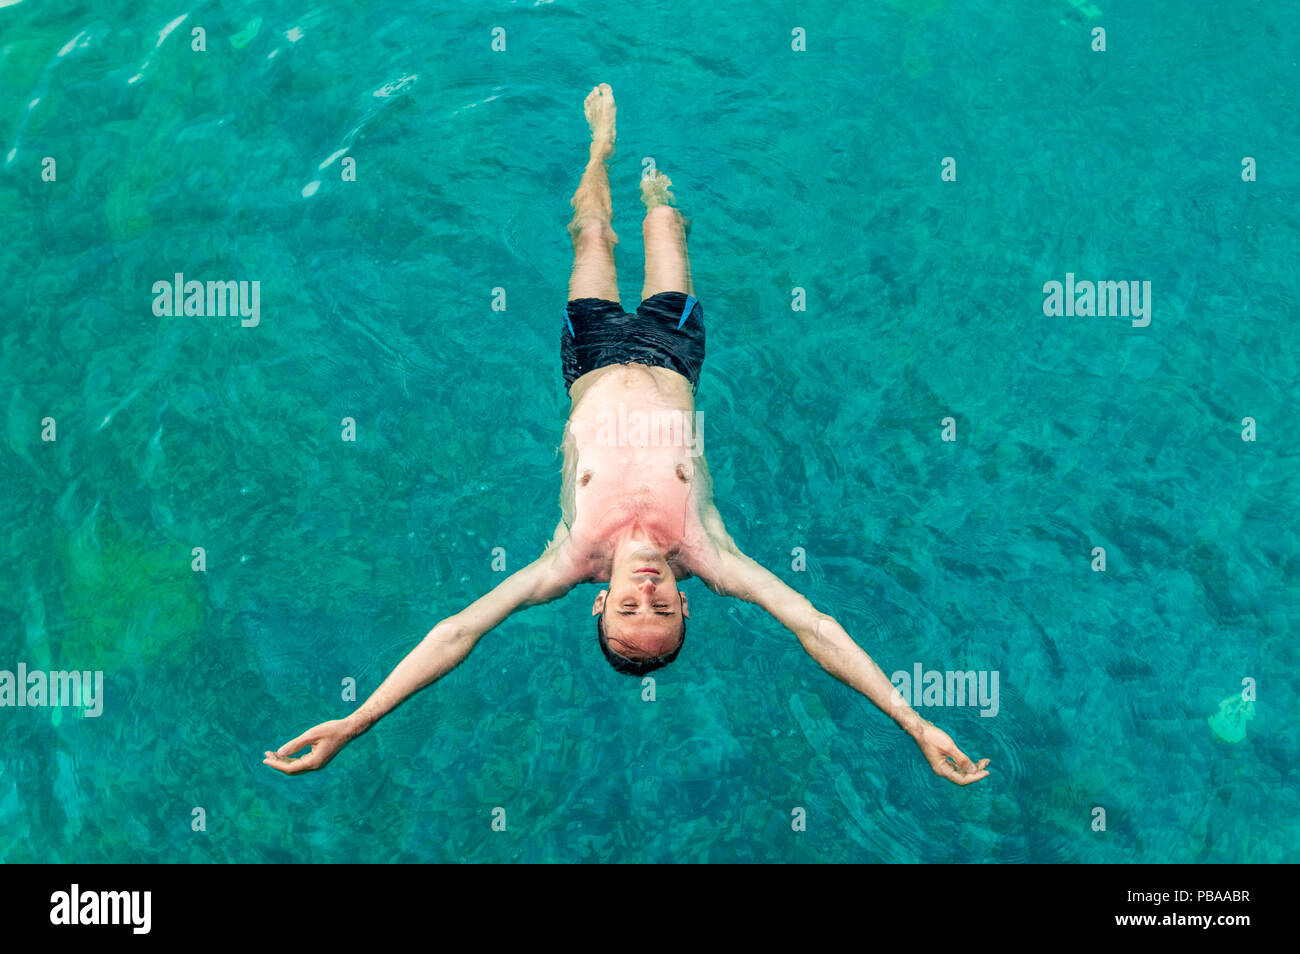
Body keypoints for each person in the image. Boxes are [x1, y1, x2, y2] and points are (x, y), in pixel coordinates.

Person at [264, 84, 991, 787]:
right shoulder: (710, 552)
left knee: (590, 233)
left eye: (627, 608)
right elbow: (817, 626)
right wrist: (912, 720)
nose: (645, 594)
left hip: (592, 355)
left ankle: (599, 149)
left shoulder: (568, 559)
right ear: (687, 603)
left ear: (597, 602)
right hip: (674, 352)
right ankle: (652, 191)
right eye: (662, 609)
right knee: (665, 224)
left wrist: (357, 721)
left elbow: (458, 632)